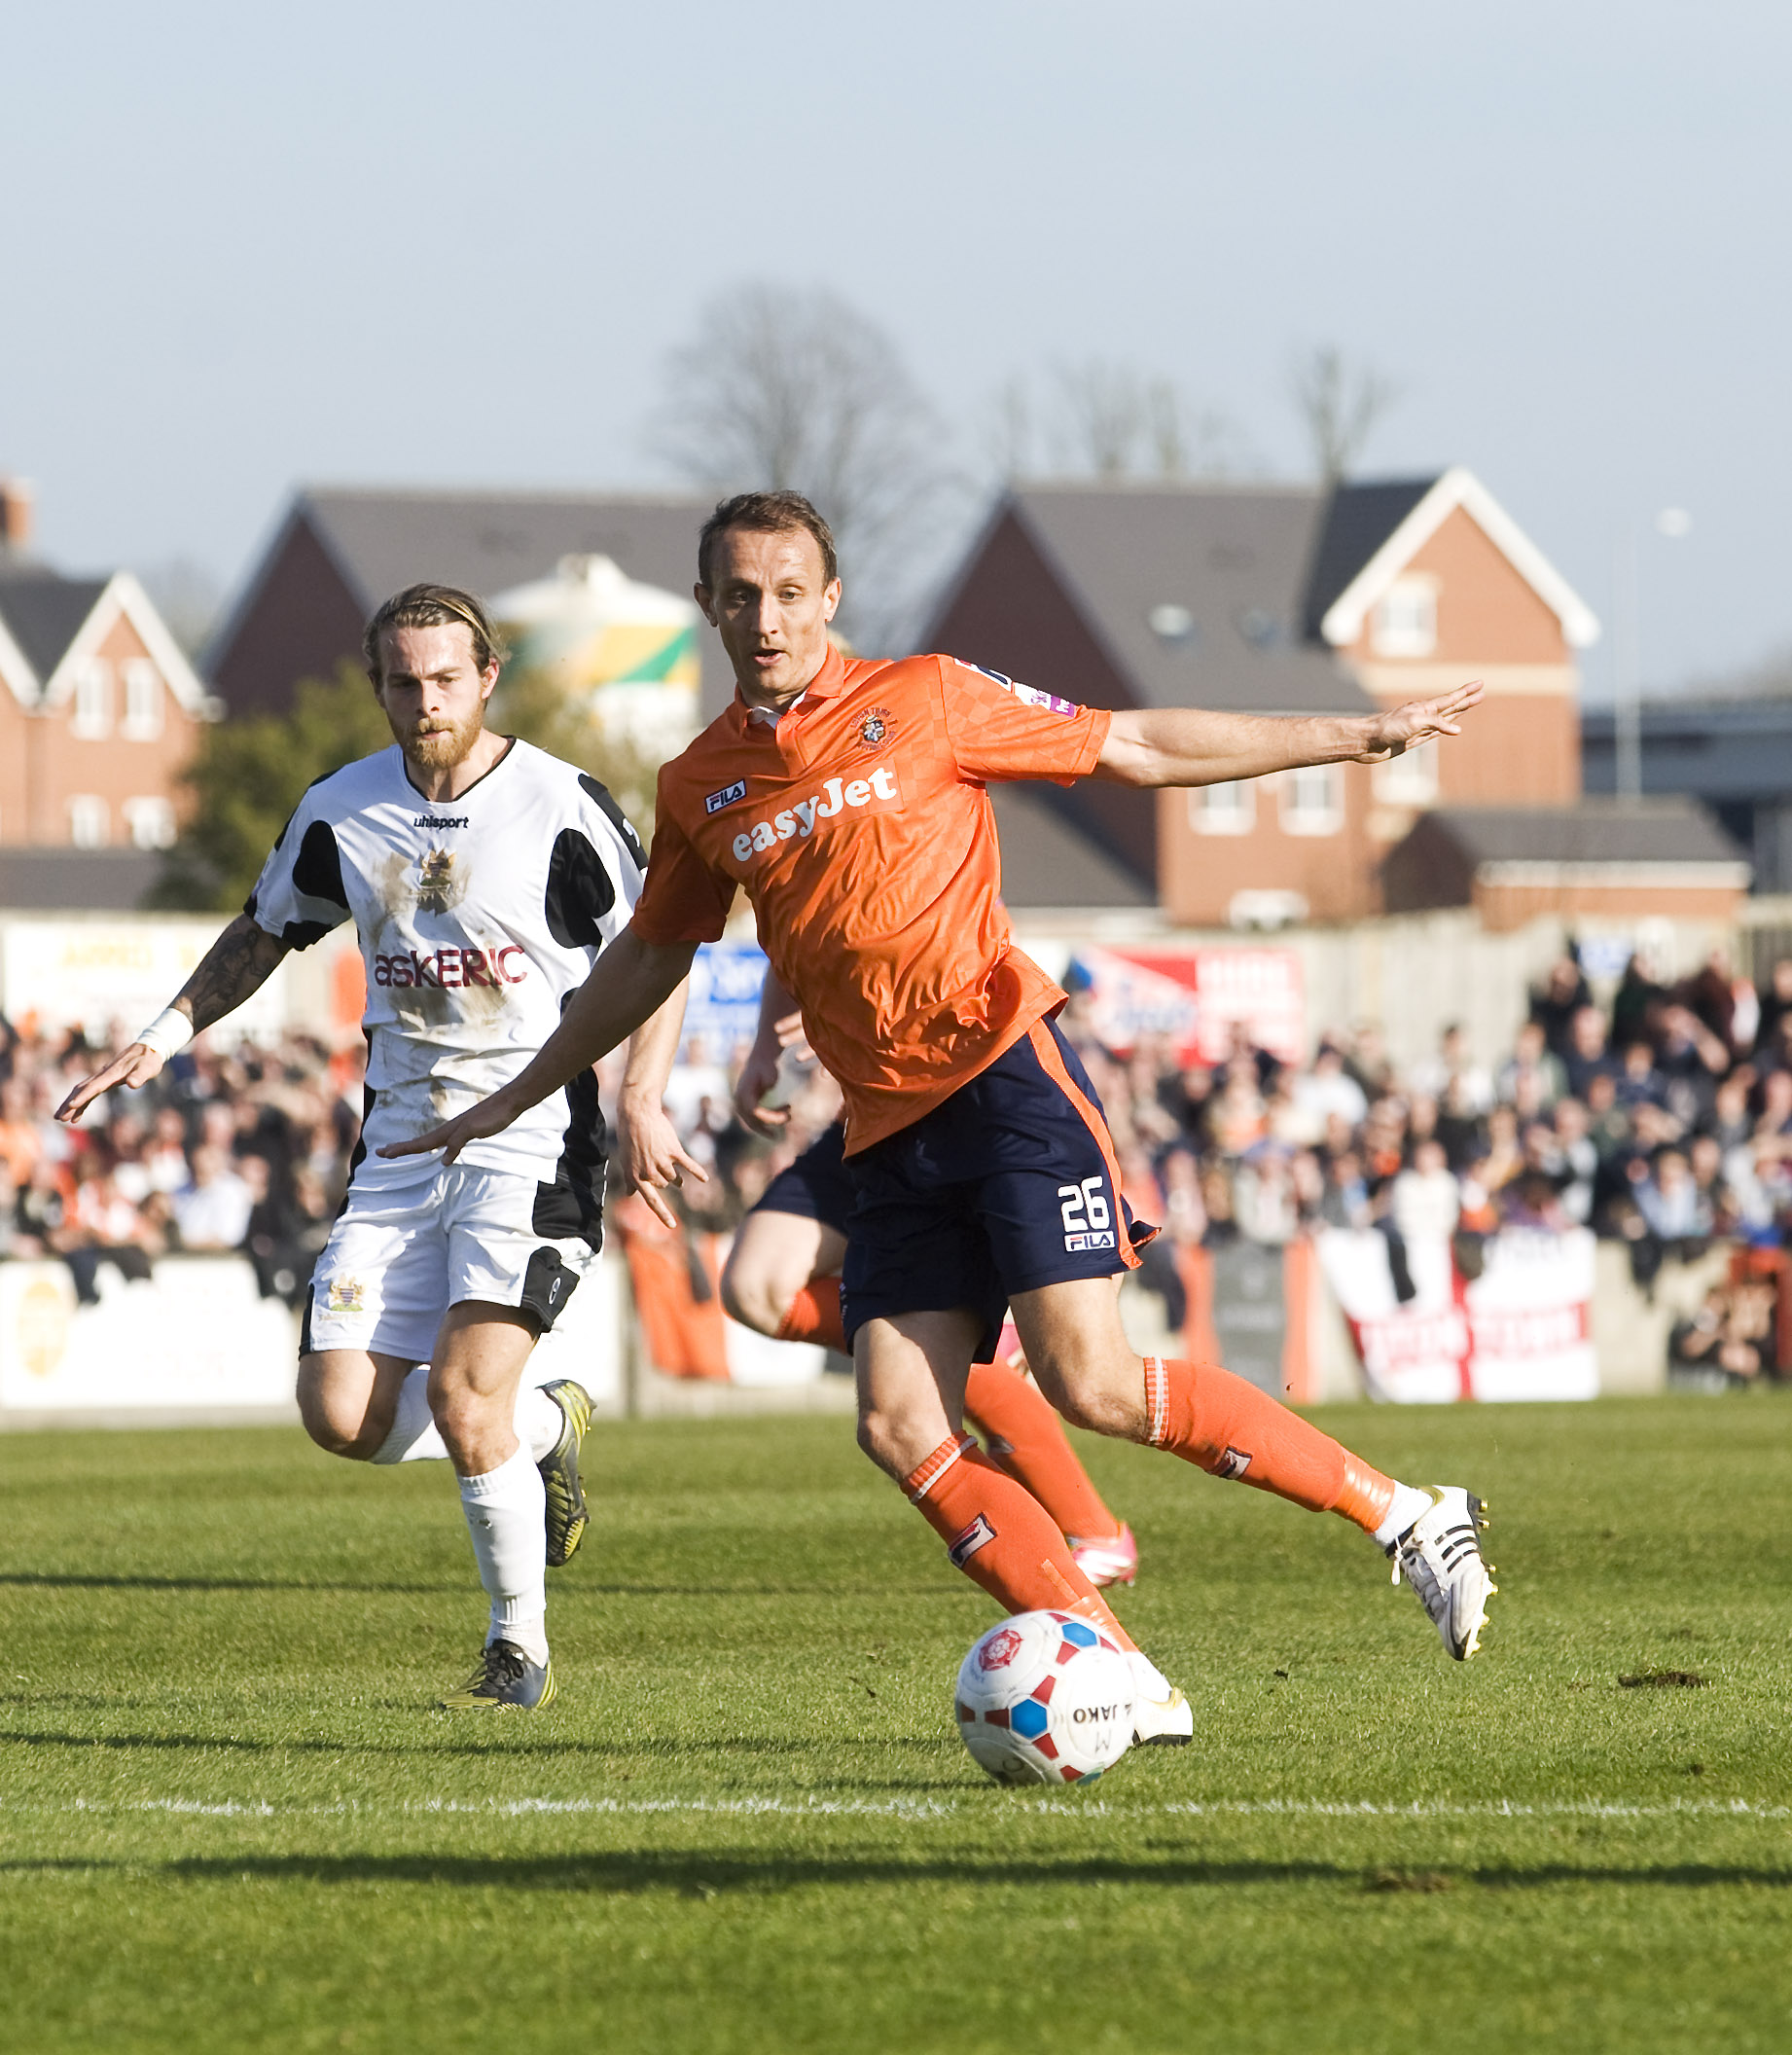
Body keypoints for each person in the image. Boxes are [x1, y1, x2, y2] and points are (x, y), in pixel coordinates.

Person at [385, 492, 1498, 1744]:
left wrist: (1349, 737)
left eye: (790, 591)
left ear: (831, 599)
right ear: (706, 607)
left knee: (1095, 1387)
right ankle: (1122, 1671)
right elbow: (649, 959)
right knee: (898, 1422)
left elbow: (1134, 746)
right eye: (741, 595)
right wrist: (528, 1089)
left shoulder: (923, 697)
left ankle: (1407, 1514)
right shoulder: (700, 782)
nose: (767, 618)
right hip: (881, 1127)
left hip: (1004, 1081)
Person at [57, 583, 686, 1713]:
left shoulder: (558, 804)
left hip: (533, 1135)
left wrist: (642, 1093)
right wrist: (161, 1037)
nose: (428, 700)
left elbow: (663, 942)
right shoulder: (344, 808)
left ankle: (517, 1650)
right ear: (379, 686)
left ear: (488, 678)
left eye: (449, 679)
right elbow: (264, 928)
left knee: (461, 1395)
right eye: (406, 681)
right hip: (397, 1149)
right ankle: (549, 1427)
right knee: (340, 1415)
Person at [619, 970, 1141, 1587]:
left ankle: (1090, 1531)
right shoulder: (786, 882)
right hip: (865, 1126)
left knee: (948, 1401)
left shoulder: (925, 891)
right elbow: (786, 946)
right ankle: (973, 1360)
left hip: (956, 1121)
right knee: (754, 1286)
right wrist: (767, 1042)